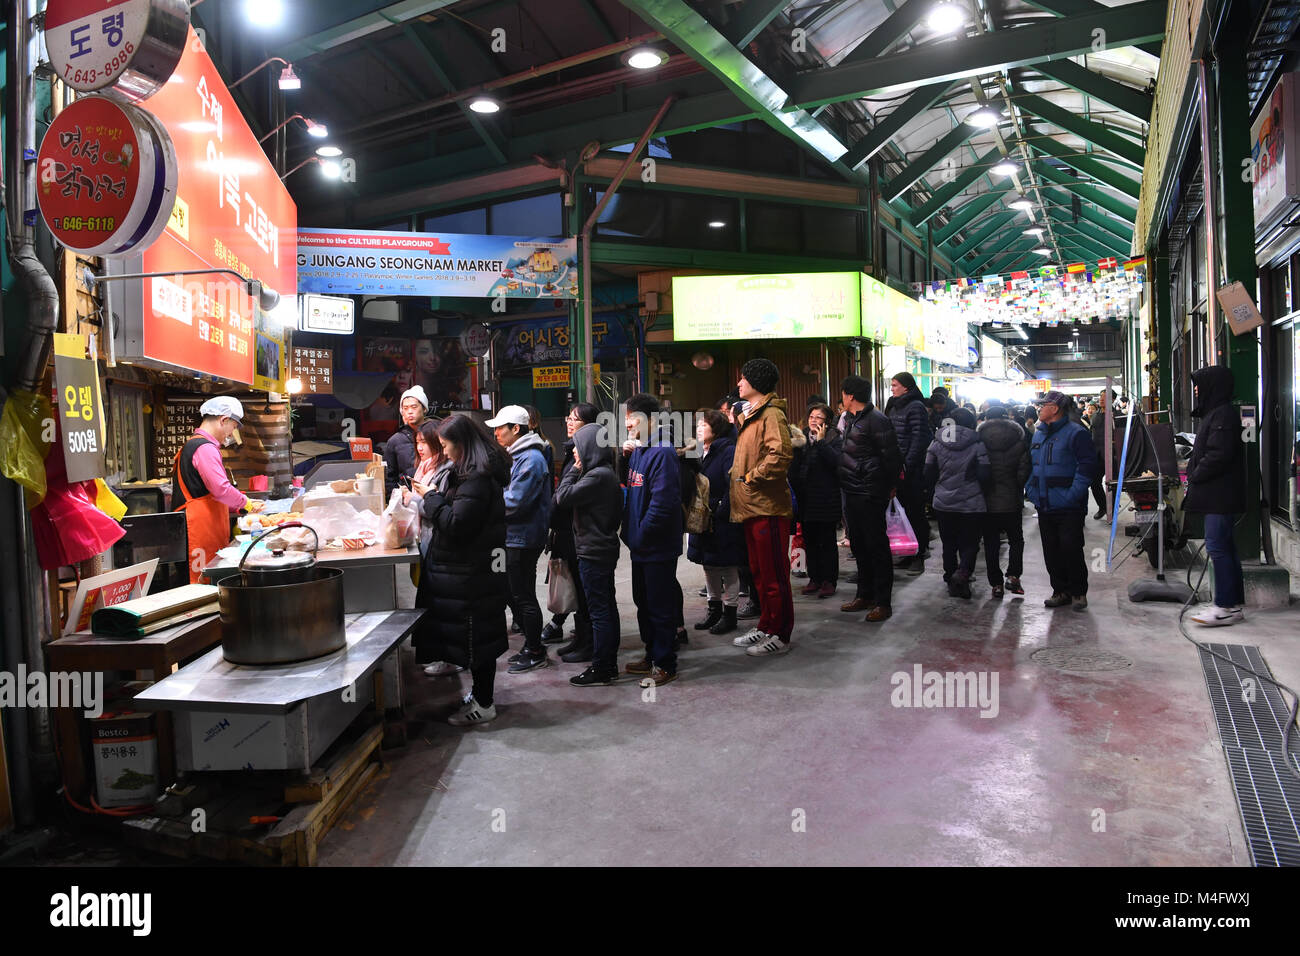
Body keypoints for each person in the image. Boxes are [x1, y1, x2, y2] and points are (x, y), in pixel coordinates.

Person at [414, 414, 512, 725]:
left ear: (462, 444)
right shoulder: (470, 474)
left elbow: (457, 524)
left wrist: (430, 498)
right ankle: (482, 696)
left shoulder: (478, 479)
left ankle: (484, 704)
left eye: (445, 445)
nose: (443, 452)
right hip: (469, 571)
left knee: (476, 639)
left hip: (473, 574)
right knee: (475, 637)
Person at [729, 358, 797, 657]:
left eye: (743, 379)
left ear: (755, 382)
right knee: (759, 574)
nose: (739, 384)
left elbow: (779, 455)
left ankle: (780, 634)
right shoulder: (752, 415)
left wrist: (749, 479)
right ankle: (766, 624)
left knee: (774, 576)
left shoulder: (771, 415)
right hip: (752, 506)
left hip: (766, 507)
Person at [553, 421, 625, 683]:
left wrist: (573, 470)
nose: (574, 452)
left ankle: (603, 667)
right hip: (598, 549)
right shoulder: (603, 473)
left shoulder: (597, 476)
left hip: (594, 552)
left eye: (579, 447)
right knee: (605, 608)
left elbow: (562, 498)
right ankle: (607, 664)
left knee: (600, 612)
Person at [485, 405, 554, 673]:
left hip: (523, 538)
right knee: (517, 593)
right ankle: (531, 646)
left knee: (523, 595)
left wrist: (487, 501)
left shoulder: (531, 460)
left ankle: (535, 650)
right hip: (515, 536)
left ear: (516, 429)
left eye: (501, 429)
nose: (496, 434)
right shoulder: (517, 455)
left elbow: (514, 502)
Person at [621, 394, 683, 686]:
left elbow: (663, 504)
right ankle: (651, 654)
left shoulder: (663, 452)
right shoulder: (638, 451)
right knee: (643, 603)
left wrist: (642, 534)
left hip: (656, 546)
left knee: (659, 606)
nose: (627, 423)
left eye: (631, 417)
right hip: (640, 546)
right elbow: (633, 490)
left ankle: (665, 662)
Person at [172, 396, 265, 582]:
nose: (231, 434)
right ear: (224, 420)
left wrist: (238, 507)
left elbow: (209, 493)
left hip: (202, 526)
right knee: (202, 587)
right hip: (196, 530)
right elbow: (220, 489)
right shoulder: (204, 448)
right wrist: (246, 503)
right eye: (233, 427)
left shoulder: (196, 444)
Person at [1184, 366, 1247, 627]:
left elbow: (1218, 455)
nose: (1197, 390)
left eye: (1200, 385)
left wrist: (1195, 474)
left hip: (1219, 495)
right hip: (1220, 494)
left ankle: (1223, 606)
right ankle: (1232, 605)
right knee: (1226, 548)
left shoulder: (1222, 415)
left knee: (1218, 548)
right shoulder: (1217, 414)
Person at [1025, 390, 1097, 611]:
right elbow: (1032, 465)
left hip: (1069, 505)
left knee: (1071, 548)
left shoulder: (1076, 433)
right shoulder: (1038, 434)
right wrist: (1031, 489)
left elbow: (1087, 468)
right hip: (1044, 503)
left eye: (1042, 405)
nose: (1039, 408)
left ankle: (1078, 592)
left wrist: (1072, 494)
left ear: (1054, 409)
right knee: (1051, 550)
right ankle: (1060, 590)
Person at [838, 375, 901, 622]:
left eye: (843, 394)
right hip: (852, 490)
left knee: (877, 547)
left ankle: (883, 602)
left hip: (870, 492)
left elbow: (892, 457)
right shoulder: (852, 420)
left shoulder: (877, 420)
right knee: (859, 546)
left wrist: (891, 486)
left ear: (850, 395)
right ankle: (864, 594)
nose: (841, 398)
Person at [544, 403, 600, 661]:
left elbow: (566, 496)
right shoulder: (572, 451)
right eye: (568, 417)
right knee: (575, 587)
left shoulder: (590, 461)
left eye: (575, 419)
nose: (569, 422)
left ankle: (589, 643)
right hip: (566, 531)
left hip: (578, 533)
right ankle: (580, 637)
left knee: (585, 590)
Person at [686, 408, 747, 635]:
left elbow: (732, 486)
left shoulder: (727, 451)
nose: (699, 428)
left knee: (728, 566)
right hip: (702, 517)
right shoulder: (700, 450)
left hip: (721, 518)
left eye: (704, 425)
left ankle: (730, 613)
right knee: (708, 564)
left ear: (717, 429)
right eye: (698, 425)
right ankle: (714, 610)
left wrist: (721, 511)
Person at [925, 407, 990, 599]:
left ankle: (949, 575)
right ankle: (963, 574)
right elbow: (985, 474)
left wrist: (934, 491)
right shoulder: (978, 443)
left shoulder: (936, 443)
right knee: (970, 543)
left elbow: (928, 473)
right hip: (971, 502)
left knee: (949, 542)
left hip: (944, 502)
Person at [977, 401, 1030, 598]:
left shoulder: (979, 440)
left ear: (987, 419)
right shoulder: (1019, 440)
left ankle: (996, 584)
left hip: (987, 502)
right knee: (1016, 540)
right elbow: (1024, 469)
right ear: (1008, 418)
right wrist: (1017, 486)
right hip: (1011, 500)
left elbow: (977, 470)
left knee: (991, 543)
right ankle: (1014, 576)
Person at [792, 402, 843, 598]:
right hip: (806, 498)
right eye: (811, 416)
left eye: (818, 417)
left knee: (827, 542)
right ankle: (814, 578)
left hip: (826, 498)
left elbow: (836, 463)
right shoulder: (801, 437)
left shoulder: (834, 438)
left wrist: (821, 443)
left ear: (827, 421)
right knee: (810, 540)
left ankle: (829, 581)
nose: (813, 420)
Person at [884, 372, 933, 574]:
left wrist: (908, 465)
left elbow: (919, 439)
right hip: (895, 467)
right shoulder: (893, 405)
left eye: (895, 385)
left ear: (906, 387)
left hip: (911, 471)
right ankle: (906, 552)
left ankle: (918, 555)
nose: (892, 388)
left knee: (914, 513)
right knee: (900, 512)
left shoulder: (916, 407)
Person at [383, 385, 430, 498]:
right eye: (405, 408)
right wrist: (399, 497)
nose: (409, 412)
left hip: (432, 495)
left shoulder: (436, 434)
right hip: (407, 500)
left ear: (424, 409)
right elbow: (389, 478)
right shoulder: (394, 441)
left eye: (414, 407)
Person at [1088, 391, 1112, 520]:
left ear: (1112, 399)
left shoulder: (1116, 415)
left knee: (1112, 483)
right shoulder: (1095, 415)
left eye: (1105, 397)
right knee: (1094, 482)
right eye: (1101, 397)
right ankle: (1103, 506)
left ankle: (1111, 506)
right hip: (1097, 454)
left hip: (1112, 455)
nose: (1101, 400)